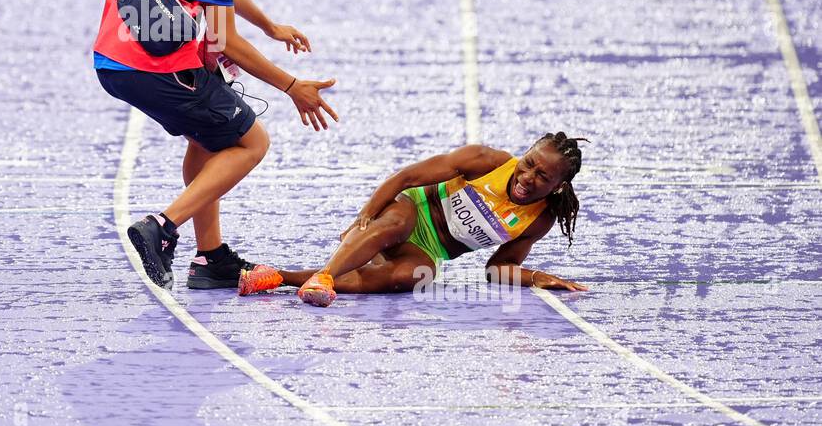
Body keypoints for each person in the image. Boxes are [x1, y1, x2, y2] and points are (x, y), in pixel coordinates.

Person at [93, 0, 339, 290]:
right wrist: (292, 86)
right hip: (152, 66)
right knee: (250, 142)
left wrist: (268, 25)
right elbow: (224, 40)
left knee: (209, 137)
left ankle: (211, 260)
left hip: (115, 57)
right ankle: (163, 227)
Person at [238, 133, 590, 304]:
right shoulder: (487, 161)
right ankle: (325, 276)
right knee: (393, 225)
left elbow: (497, 269)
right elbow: (404, 178)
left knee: (412, 277)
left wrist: (537, 277)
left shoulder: (537, 220)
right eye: (528, 164)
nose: (527, 178)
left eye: (543, 177)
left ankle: (279, 276)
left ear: (558, 187)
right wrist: (366, 217)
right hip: (413, 208)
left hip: (430, 247)